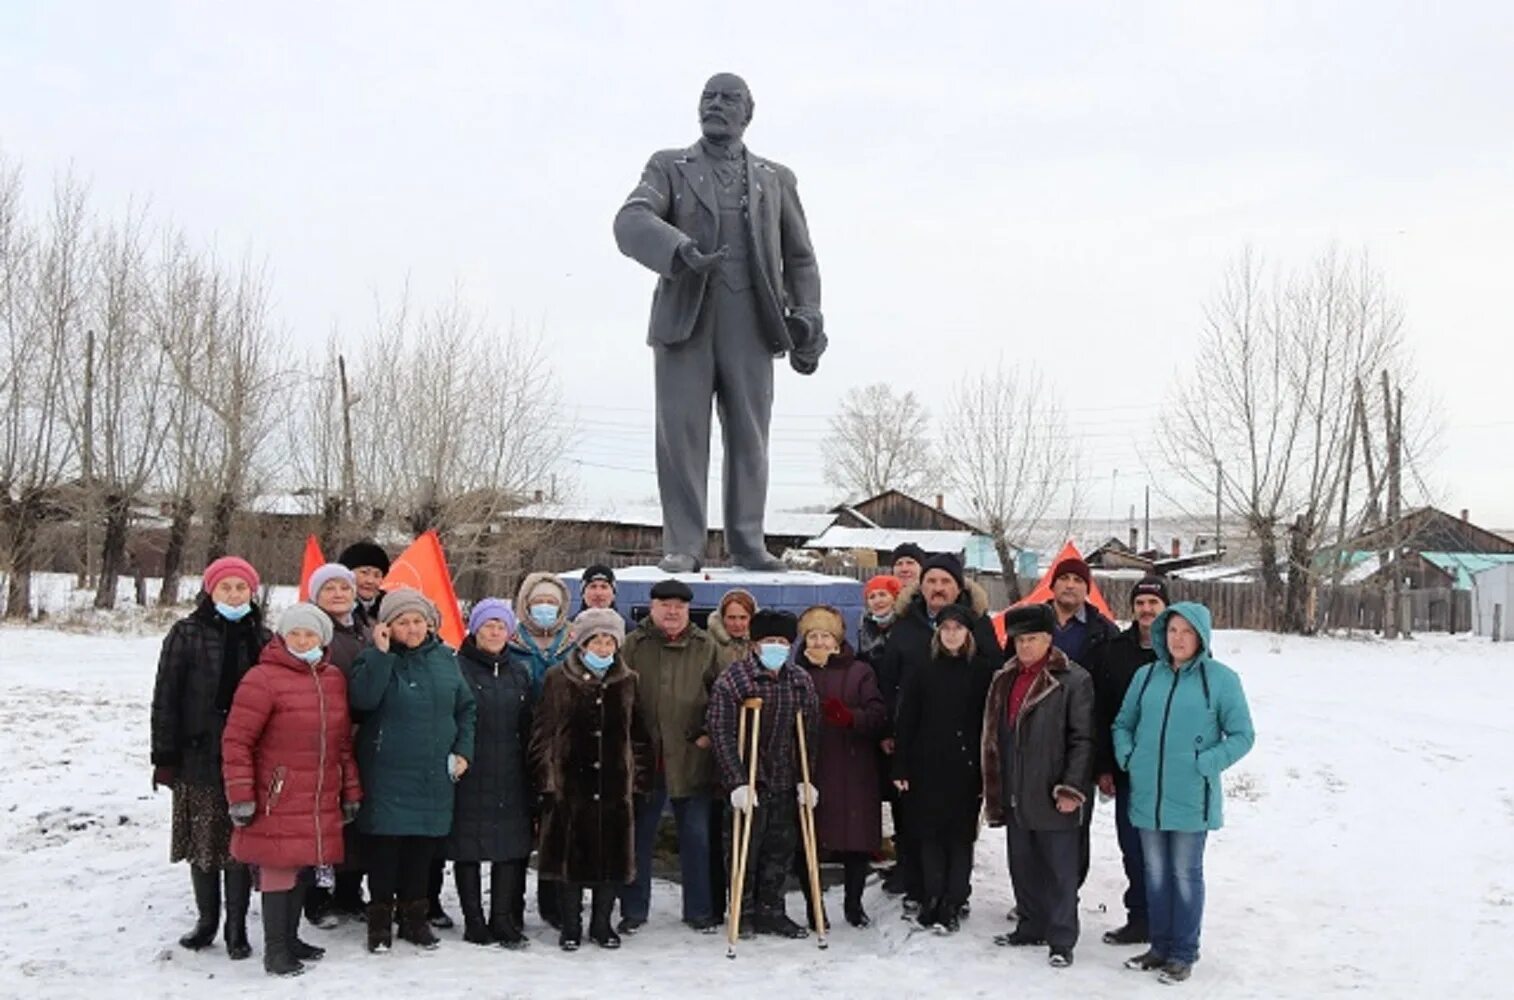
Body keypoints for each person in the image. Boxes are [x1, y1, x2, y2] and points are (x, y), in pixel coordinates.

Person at [614, 72, 825, 573]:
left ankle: (748, 541)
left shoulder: (776, 178)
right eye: (708, 96)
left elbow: (800, 259)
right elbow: (630, 219)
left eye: (729, 99)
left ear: (747, 114)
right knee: (681, 434)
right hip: (685, 319)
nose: (716, 104)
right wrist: (679, 250)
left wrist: (809, 314)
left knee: (751, 435)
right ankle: (683, 545)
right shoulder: (669, 166)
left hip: (752, 322)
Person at [1114, 602, 1255, 985]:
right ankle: (1159, 947)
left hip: (1192, 796)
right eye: (1172, 630)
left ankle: (1183, 952)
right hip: (1148, 795)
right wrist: (1130, 757)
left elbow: (1243, 735)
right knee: (1155, 875)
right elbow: (1123, 723)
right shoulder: (1146, 676)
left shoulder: (1221, 680)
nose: (1178, 639)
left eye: (1186, 631)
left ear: (1202, 637)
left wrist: (1205, 763)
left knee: (1184, 874)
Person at [221, 603, 361, 977]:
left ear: (323, 638)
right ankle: (276, 950)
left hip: (318, 793)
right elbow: (237, 741)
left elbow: (342, 743)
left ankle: (293, 937)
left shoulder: (332, 679)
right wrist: (241, 794)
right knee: (277, 870)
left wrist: (350, 792)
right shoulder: (261, 678)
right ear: (282, 636)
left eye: (310, 634)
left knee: (302, 867)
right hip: (276, 794)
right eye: (294, 634)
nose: (302, 640)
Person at [150, 555, 269, 960]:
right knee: (203, 844)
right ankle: (207, 921)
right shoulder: (186, 634)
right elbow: (165, 697)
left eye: (241, 588)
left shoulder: (264, 638)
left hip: (248, 760)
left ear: (252, 593)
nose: (234, 595)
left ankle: (237, 928)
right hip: (196, 755)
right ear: (210, 591)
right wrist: (164, 754)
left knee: (239, 842)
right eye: (226, 587)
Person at [348, 589, 477, 954]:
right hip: (387, 773)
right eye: (403, 622)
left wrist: (463, 751)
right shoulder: (372, 659)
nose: (413, 628)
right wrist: (381, 654)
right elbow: (363, 700)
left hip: (433, 773)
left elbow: (466, 709)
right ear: (387, 627)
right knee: (385, 851)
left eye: (418, 621)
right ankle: (379, 923)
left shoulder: (446, 659)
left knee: (422, 851)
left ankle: (414, 920)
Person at [875, 553, 1001, 905]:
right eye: (931, 581)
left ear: (958, 587)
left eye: (945, 581)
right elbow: (889, 680)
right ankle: (915, 882)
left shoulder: (978, 623)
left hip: (963, 746)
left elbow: (991, 678)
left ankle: (952, 892)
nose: (938, 588)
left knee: (956, 829)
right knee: (913, 821)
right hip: (915, 741)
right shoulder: (906, 623)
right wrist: (890, 729)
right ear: (921, 586)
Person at [531, 609, 653, 951]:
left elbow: (640, 736)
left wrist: (638, 781)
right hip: (571, 787)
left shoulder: (628, 680)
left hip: (615, 788)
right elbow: (544, 733)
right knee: (571, 861)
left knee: (611, 862)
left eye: (609, 640)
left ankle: (602, 924)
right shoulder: (559, 678)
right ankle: (570, 925)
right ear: (583, 644)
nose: (603, 647)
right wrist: (546, 780)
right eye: (596, 640)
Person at [983, 604, 1095, 968]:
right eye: (1019, 639)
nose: (1025, 646)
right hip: (1015, 786)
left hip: (1053, 789)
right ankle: (1030, 926)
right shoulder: (1004, 678)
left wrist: (1071, 787)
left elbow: (1083, 739)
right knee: (1022, 863)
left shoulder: (1072, 680)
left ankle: (1061, 939)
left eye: (1033, 639)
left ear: (1049, 639)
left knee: (1061, 872)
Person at [706, 610, 820, 938]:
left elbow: (810, 732)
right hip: (750, 780)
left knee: (779, 849)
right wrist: (736, 780)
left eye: (782, 642)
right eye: (769, 641)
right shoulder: (735, 679)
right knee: (744, 847)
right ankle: (743, 909)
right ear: (755, 644)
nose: (776, 648)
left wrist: (807, 778)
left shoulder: (799, 680)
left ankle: (772, 910)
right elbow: (721, 729)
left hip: (784, 779)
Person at [618, 579, 723, 934]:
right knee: (637, 839)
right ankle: (633, 910)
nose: (672, 612)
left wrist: (709, 732)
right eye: (666, 605)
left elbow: (721, 693)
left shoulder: (705, 646)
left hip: (691, 756)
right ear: (653, 608)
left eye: (679, 606)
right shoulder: (634, 644)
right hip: (645, 759)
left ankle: (699, 911)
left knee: (696, 838)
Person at [892, 603, 993, 933]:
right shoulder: (923, 667)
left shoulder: (982, 670)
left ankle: (954, 898)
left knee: (960, 837)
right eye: (946, 629)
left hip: (966, 767)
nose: (951, 634)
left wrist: (986, 771)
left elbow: (988, 724)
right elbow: (907, 719)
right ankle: (932, 896)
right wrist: (901, 766)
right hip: (926, 765)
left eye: (957, 629)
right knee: (929, 835)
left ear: (968, 633)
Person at [1083, 575, 1169, 946]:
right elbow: (1102, 711)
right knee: (1132, 848)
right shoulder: (1114, 650)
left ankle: (1167, 922)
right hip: (1127, 767)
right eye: (1141, 603)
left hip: (1170, 772)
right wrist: (1104, 765)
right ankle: (1140, 919)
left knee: (1166, 852)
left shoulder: (1181, 648)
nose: (1147, 610)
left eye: (1154, 603)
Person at [792, 606, 886, 928]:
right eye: (812, 636)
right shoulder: (794, 673)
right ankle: (813, 906)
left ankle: (854, 905)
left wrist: (850, 717)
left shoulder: (860, 672)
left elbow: (877, 715)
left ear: (837, 641)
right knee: (809, 840)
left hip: (853, 767)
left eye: (825, 636)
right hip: (812, 767)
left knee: (855, 840)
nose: (818, 642)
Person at [449, 598, 534, 949]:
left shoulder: (519, 672)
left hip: (511, 769)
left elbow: (528, 724)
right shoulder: (457, 668)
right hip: (470, 767)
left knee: (509, 847)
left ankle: (502, 918)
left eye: (501, 626)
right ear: (475, 628)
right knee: (467, 845)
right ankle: (473, 919)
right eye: (488, 625)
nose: (495, 631)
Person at [302, 562, 371, 926]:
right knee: (324, 819)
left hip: (361, 737)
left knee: (355, 817)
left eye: (344, 588)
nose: (339, 594)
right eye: (329, 589)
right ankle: (316, 896)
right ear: (316, 595)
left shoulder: (366, 631)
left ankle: (349, 890)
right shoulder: (312, 632)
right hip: (322, 737)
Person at [506, 571, 575, 928]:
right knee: (518, 827)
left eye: (551, 603)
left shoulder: (574, 642)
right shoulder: (510, 640)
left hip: (563, 747)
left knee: (557, 825)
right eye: (538, 603)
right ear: (525, 605)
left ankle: (555, 903)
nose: (545, 609)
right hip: (516, 743)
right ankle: (510, 905)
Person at [337, 541, 391, 627]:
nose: (370, 581)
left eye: (377, 575)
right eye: (364, 573)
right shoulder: (334, 606)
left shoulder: (390, 607)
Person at [855, 574, 902, 669]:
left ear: (895, 598)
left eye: (882, 594)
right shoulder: (864, 629)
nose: (877, 601)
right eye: (872, 597)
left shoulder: (906, 626)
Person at [708, 587, 758, 670]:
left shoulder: (763, 645)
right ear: (722, 618)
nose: (737, 624)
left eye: (743, 618)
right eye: (731, 617)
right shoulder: (707, 645)